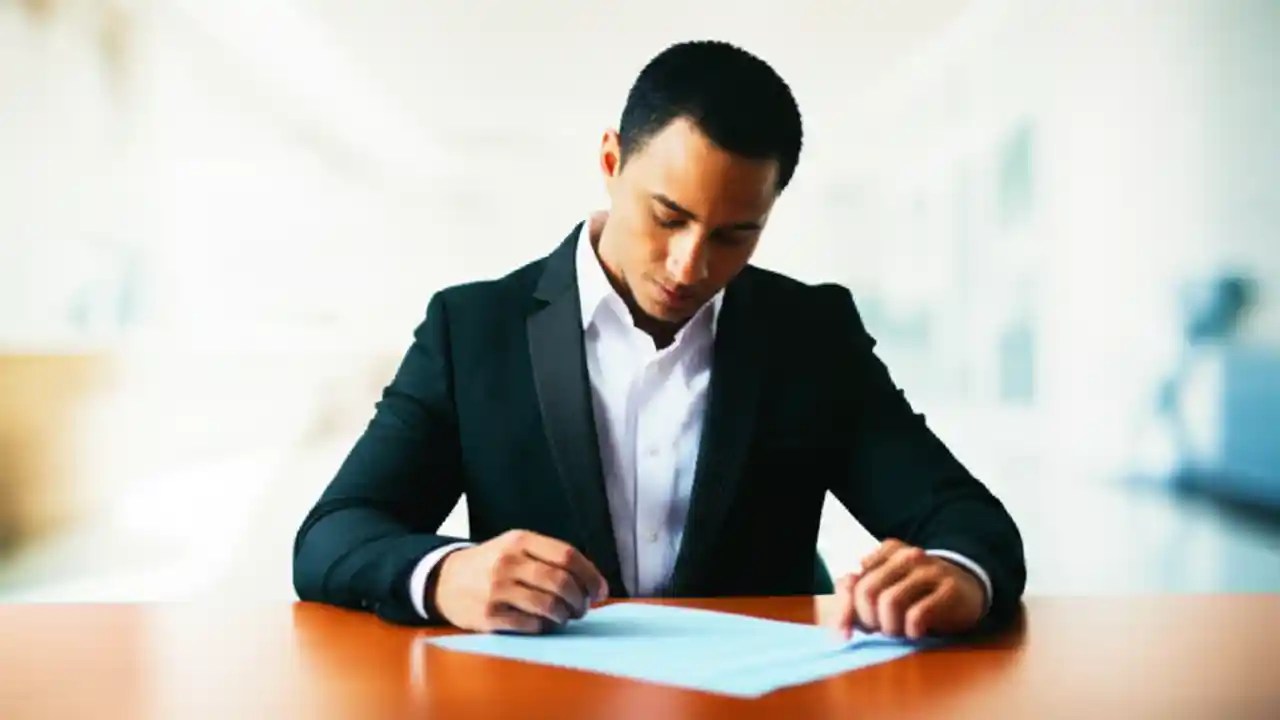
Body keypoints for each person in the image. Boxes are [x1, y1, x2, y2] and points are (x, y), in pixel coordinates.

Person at [293, 40, 1025, 639]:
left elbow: (971, 524)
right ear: (611, 162)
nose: (691, 266)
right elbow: (332, 536)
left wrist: (958, 575)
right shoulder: (473, 329)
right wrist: (446, 574)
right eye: (668, 217)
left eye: (737, 235)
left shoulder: (811, 337)